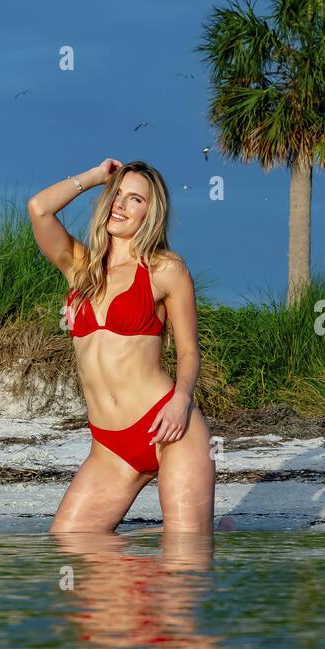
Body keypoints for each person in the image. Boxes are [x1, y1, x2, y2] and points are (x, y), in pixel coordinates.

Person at [28, 158, 217, 534]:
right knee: (70, 543)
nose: (121, 205)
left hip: (169, 427)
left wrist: (181, 402)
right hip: (110, 447)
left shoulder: (166, 270)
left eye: (135, 200)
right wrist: (96, 177)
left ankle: (194, 540)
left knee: (185, 557)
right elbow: (39, 208)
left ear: (152, 212)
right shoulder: (80, 267)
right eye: (118, 195)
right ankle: (194, 538)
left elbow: (189, 352)